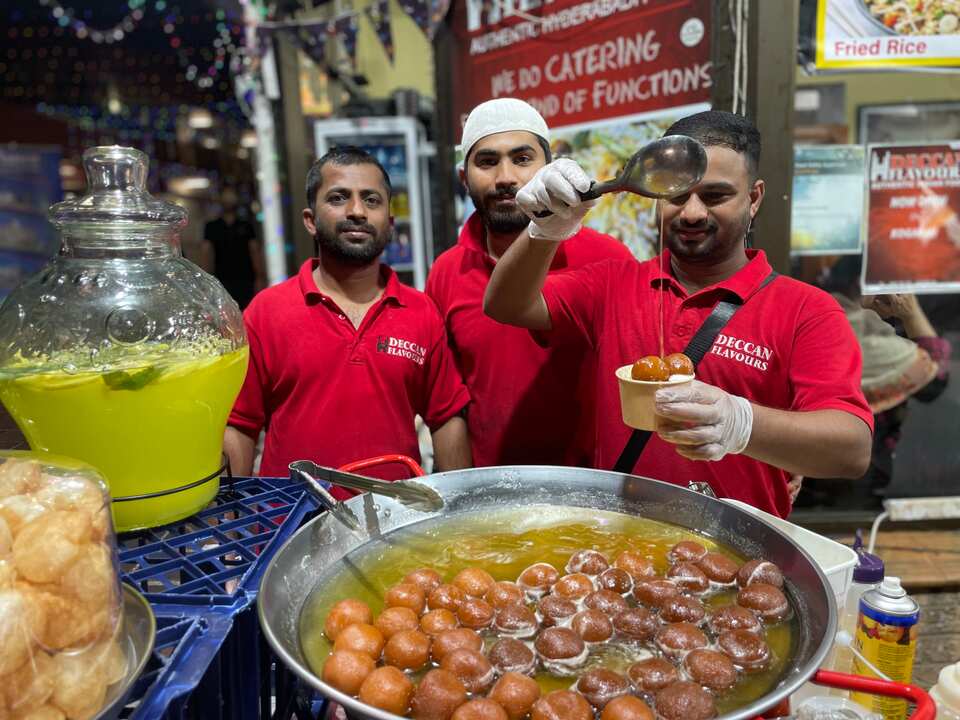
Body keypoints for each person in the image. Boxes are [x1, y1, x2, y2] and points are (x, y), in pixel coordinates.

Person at [483, 110, 874, 518]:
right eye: (676, 196)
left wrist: (741, 424)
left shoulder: (804, 309)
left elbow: (852, 448)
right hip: (621, 549)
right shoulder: (614, 286)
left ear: (754, 198)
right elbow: (506, 305)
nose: (691, 213)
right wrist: (544, 232)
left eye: (715, 196)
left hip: (739, 559)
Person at [223, 147, 471, 491]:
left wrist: (453, 511)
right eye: (339, 198)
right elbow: (240, 425)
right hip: (291, 527)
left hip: (396, 525)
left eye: (371, 201)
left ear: (390, 221)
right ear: (310, 219)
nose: (357, 211)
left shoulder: (421, 312)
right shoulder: (266, 312)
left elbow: (446, 419)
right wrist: (236, 525)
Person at [425, 98, 632, 466]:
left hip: (592, 491)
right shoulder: (447, 271)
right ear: (463, 177)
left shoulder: (608, 258)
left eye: (522, 159)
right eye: (487, 162)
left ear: (550, 169)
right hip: (493, 491)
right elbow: (447, 401)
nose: (505, 177)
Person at [797, 255, 951, 510]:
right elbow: (934, 379)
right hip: (854, 479)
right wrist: (912, 315)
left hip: (804, 469)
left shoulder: (811, 314)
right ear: (865, 286)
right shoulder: (859, 331)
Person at [202, 187, 266, 309]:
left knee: (246, 312)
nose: (229, 200)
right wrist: (206, 281)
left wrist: (259, 277)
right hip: (222, 279)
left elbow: (254, 251)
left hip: (245, 279)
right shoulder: (212, 226)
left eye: (231, 196)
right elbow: (207, 253)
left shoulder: (246, 225)